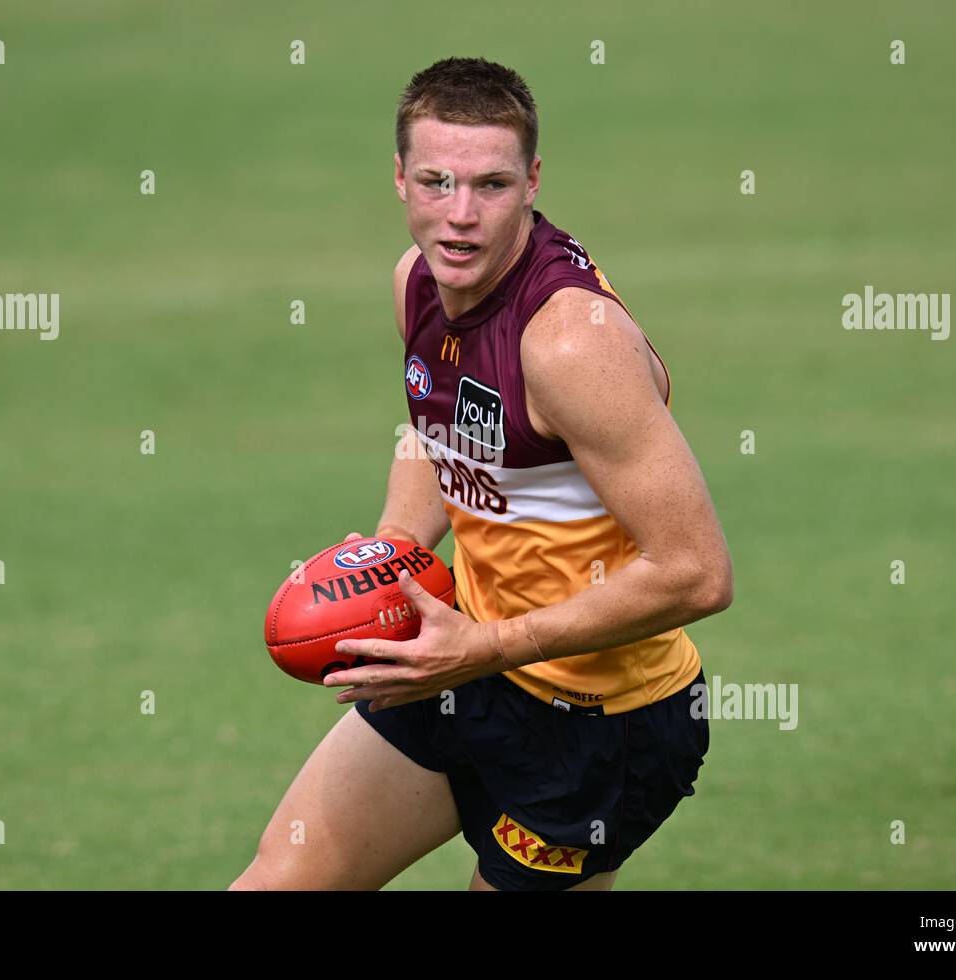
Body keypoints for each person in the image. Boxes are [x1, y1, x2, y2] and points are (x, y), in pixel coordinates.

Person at [230, 56, 733, 892]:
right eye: (436, 182)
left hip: (598, 725)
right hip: (459, 661)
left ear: (533, 180)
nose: (460, 216)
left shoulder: (572, 345)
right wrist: (393, 549)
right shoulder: (418, 283)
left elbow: (698, 573)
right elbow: (442, 430)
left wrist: (487, 648)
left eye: (491, 185)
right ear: (398, 179)